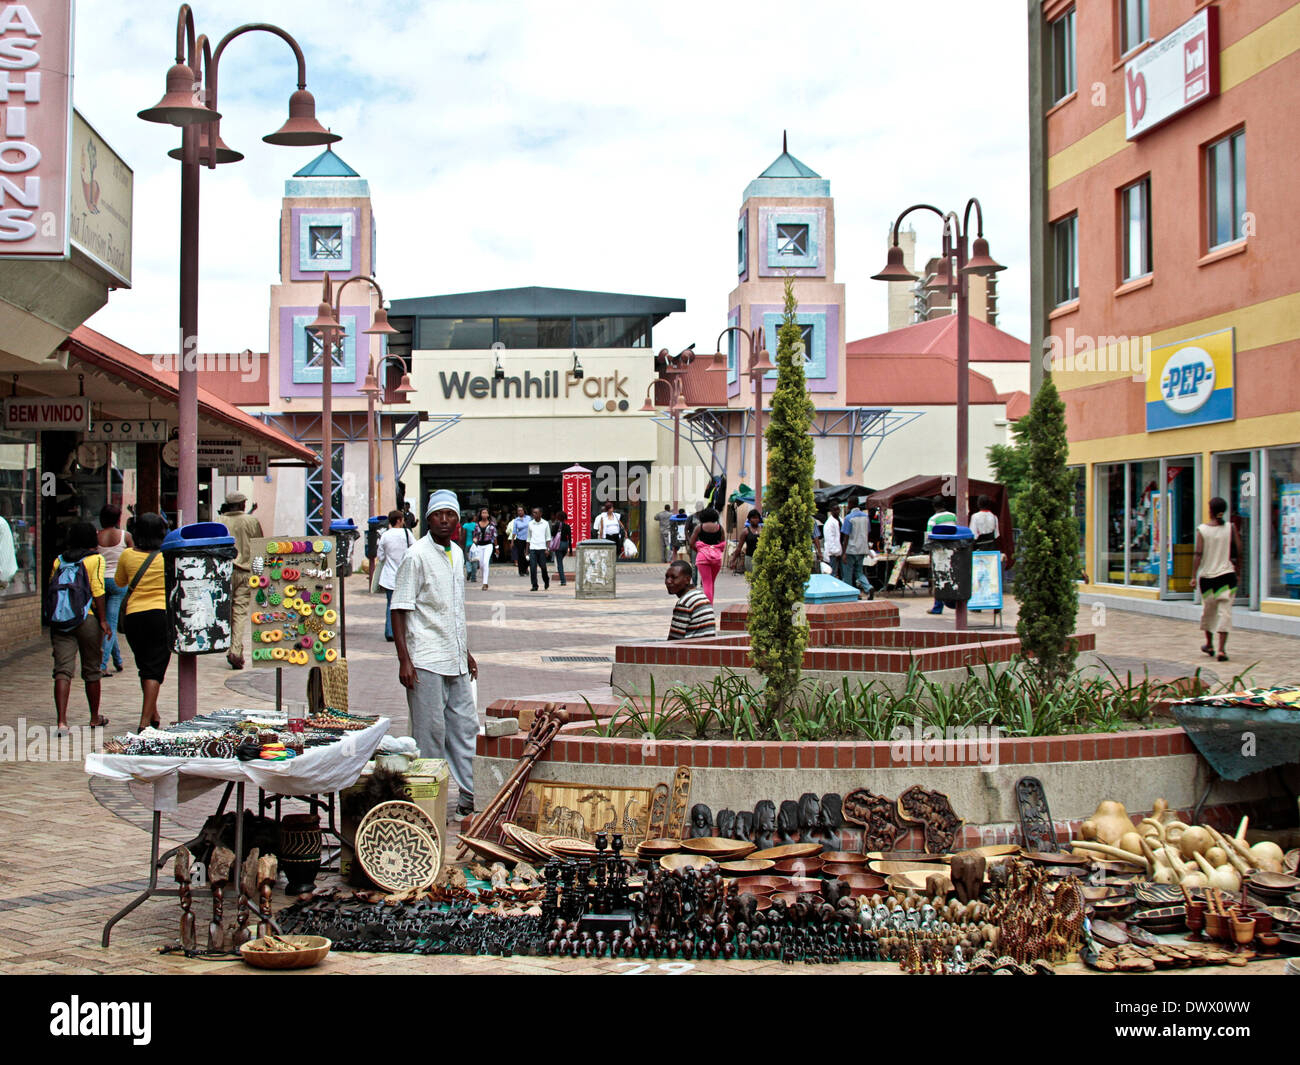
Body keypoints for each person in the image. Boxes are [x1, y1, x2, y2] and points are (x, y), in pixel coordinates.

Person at [391, 490, 479, 822]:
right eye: (438, 514)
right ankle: (429, 802)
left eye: (451, 514)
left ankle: (469, 796)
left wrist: (465, 651)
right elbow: (399, 609)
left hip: (454, 659)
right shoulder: (416, 556)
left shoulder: (457, 553)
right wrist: (404, 659)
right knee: (429, 732)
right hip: (424, 659)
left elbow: (453, 610)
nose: (445, 520)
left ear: (458, 520)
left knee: (465, 727)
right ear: (428, 519)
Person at [49, 522, 110, 735]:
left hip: (61, 620)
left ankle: (62, 722)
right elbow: (98, 590)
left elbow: (52, 587)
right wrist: (103, 621)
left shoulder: (59, 560)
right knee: (92, 669)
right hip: (88, 619)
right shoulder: (96, 560)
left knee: (62, 671)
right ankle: (94, 718)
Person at [113, 513, 170, 733]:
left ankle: (153, 714)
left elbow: (120, 581)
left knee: (145, 667)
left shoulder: (127, 555)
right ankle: (144, 723)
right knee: (154, 670)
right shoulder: (167, 556)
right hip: (161, 615)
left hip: (134, 617)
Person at [1193, 496, 1241, 662]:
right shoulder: (1230, 528)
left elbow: (1198, 554)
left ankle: (1209, 644)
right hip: (1227, 576)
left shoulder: (1202, 530)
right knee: (1225, 612)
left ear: (1210, 510)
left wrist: (1193, 575)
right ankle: (1222, 649)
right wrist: (1239, 571)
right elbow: (1239, 550)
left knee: (1209, 611)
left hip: (1207, 578)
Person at [221, 491, 262, 669]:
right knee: (239, 611)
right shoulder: (251, 521)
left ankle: (232, 646)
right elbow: (260, 546)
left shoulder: (219, 521)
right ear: (242, 505)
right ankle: (236, 650)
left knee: (227, 611)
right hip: (246, 572)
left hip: (225, 572)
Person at [96, 504, 132, 678]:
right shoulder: (126, 536)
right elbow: (133, 556)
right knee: (111, 621)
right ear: (118, 519)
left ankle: (117, 660)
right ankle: (102, 664)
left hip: (100, 583)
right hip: (119, 583)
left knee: (110, 621)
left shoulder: (96, 536)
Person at [375, 509, 413, 640]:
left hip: (389, 576)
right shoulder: (407, 534)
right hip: (405, 576)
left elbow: (380, 556)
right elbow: (414, 551)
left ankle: (390, 632)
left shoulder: (385, 535)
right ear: (399, 520)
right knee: (405, 605)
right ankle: (404, 631)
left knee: (390, 605)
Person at [665, 560, 716, 640]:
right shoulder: (699, 595)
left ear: (687, 580)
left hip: (692, 649)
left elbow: (674, 640)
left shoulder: (684, 603)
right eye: (667, 577)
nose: (668, 581)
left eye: (674, 577)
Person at [926, 496, 958, 615]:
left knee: (939, 579)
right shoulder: (953, 516)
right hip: (952, 552)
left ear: (934, 506)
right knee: (953, 577)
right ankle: (955, 604)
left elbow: (929, 537)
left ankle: (938, 607)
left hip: (939, 554)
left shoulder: (932, 519)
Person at [688, 506, 725, 602]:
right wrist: (714, 550)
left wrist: (700, 551)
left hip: (703, 558)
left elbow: (691, 543)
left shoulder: (699, 527)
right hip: (716, 559)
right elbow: (723, 544)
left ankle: (708, 607)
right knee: (711, 582)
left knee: (706, 582)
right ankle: (711, 604)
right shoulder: (720, 528)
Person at [842, 503, 873, 597]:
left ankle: (850, 593)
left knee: (848, 573)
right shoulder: (866, 517)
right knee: (859, 572)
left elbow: (846, 536)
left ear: (850, 505)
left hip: (851, 549)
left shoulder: (848, 518)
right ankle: (868, 587)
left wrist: (844, 552)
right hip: (862, 549)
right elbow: (867, 532)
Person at [470, 507, 496, 590]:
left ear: (488, 514)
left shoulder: (492, 524)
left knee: (485, 562)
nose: (484, 514)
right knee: (481, 564)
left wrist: (497, 547)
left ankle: (485, 583)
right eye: (483, 513)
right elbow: (475, 535)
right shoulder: (477, 524)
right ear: (480, 514)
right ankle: (484, 579)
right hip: (479, 546)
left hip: (488, 545)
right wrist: (474, 540)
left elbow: (495, 537)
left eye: (486, 513)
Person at [527, 505, 552, 591]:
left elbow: (548, 538)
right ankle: (534, 585)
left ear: (540, 514)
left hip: (542, 548)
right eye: (533, 512)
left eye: (536, 513)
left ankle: (546, 580)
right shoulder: (530, 523)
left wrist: (548, 549)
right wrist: (527, 551)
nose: (534, 514)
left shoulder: (545, 523)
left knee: (543, 567)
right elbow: (528, 538)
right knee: (533, 568)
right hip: (533, 548)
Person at [822, 504, 843, 581]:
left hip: (840, 551)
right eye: (835, 510)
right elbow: (829, 539)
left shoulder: (840, 520)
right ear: (831, 511)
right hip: (833, 553)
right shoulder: (829, 523)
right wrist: (835, 552)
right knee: (833, 573)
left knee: (841, 572)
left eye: (838, 509)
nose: (837, 511)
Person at [551, 510, 572, 586]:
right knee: (560, 561)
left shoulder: (556, 525)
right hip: (565, 545)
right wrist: (570, 550)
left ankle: (563, 580)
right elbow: (570, 538)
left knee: (559, 563)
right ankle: (562, 578)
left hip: (558, 545)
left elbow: (552, 534)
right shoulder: (568, 526)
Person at [509, 504, 530, 577]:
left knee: (528, 555)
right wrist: (512, 542)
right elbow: (514, 531)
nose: (520, 512)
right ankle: (521, 571)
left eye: (521, 510)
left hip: (528, 539)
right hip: (520, 539)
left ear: (524, 511)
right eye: (518, 511)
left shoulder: (529, 518)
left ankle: (526, 568)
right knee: (520, 556)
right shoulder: (516, 520)